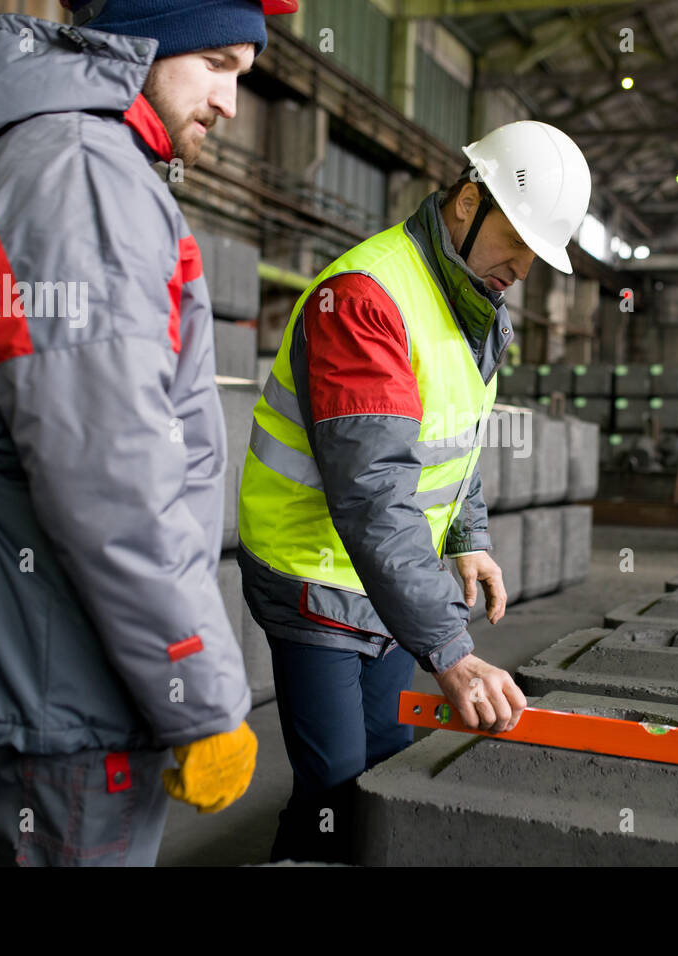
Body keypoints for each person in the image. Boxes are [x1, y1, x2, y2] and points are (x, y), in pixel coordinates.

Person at [0, 0, 299, 866]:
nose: (232, 102)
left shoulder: (62, 158)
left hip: (59, 642)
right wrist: (199, 692)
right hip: (76, 663)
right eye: (221, 65)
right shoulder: (83, 177)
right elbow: (111, 479)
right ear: (146, 41)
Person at [236, 121, 592, 863]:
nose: (523, 268)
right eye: (517, 241)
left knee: (387, 760)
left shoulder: (472, 307)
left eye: (537, 255)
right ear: (468, 202)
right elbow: (371, 491)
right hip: (313, 574)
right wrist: (450, 649)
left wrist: (468, 538)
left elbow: (448, 443)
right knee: (334, 786)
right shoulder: (367, 299)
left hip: (390, 585)